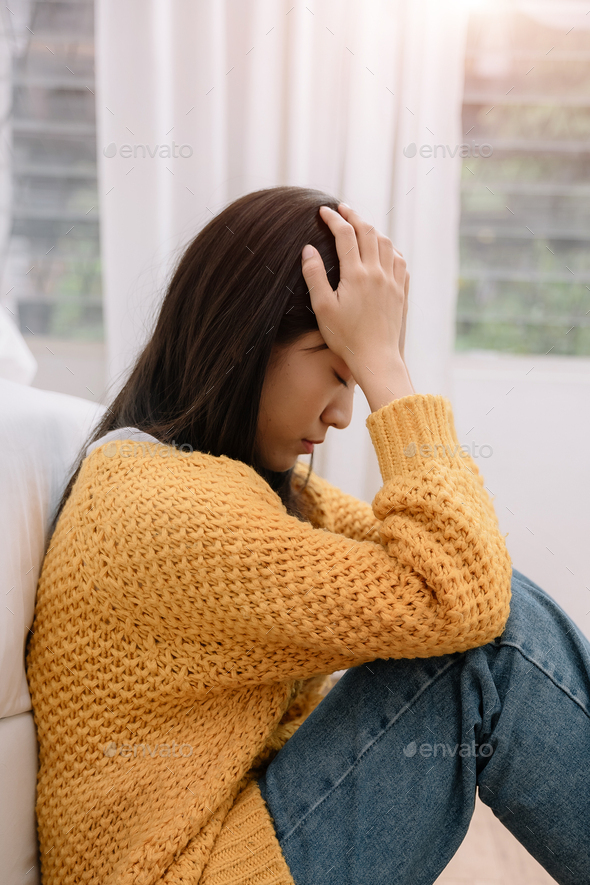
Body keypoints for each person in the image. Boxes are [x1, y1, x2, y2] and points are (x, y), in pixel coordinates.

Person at [25, 187, 590, 885]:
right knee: (487, 649)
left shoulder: (234, 486)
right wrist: (389, 369)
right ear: (246, 340)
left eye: (359, 378)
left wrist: (372, 352)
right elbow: (465, 594)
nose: (346, 414)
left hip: (227, 848)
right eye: (335, 368)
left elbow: (461, 569)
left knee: (487, 616)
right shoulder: (165, 509)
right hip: (192, 872)